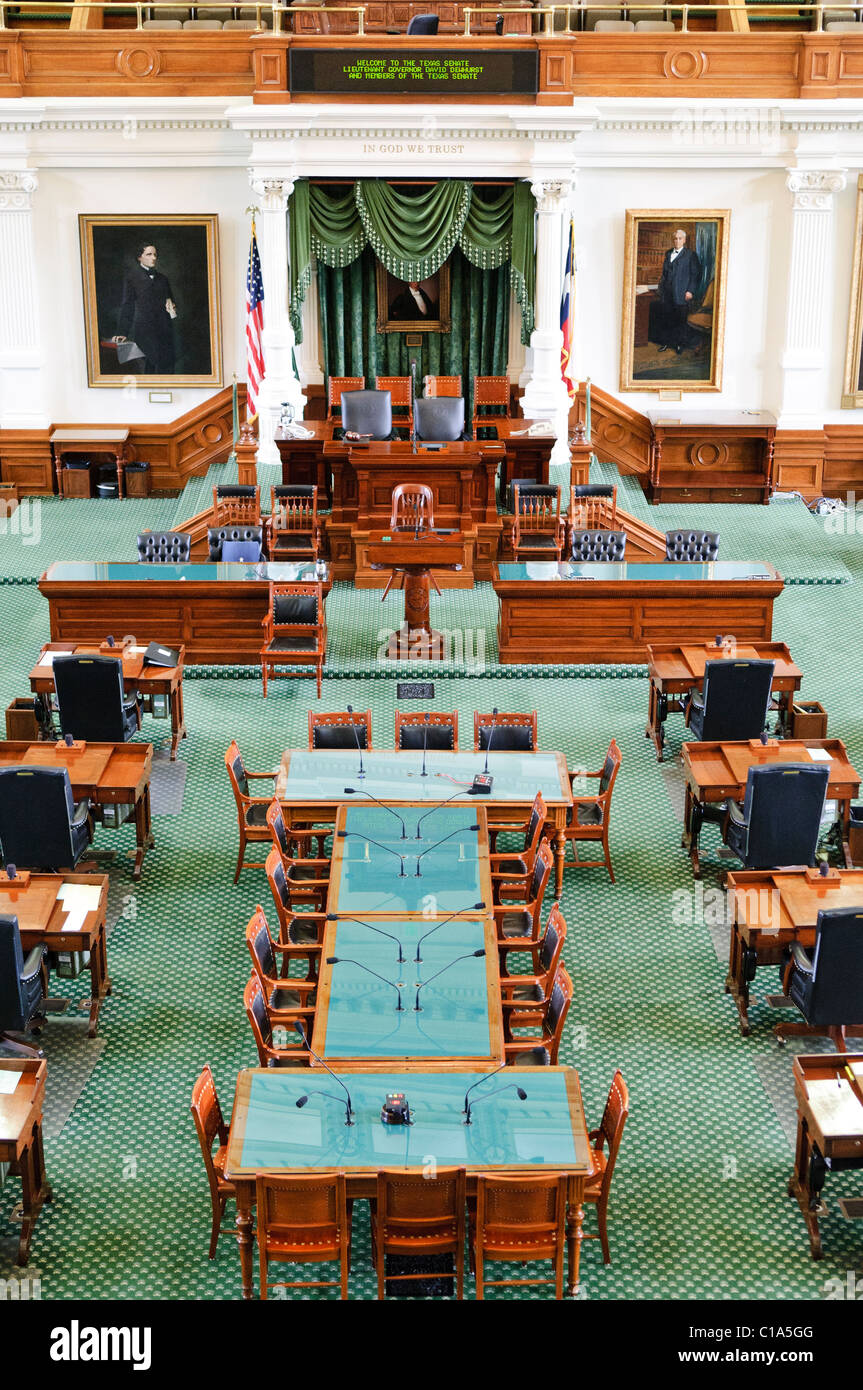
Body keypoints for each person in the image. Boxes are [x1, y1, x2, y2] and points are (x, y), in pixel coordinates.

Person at [112, 243, 177, 373]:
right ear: (139, 258)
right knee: (148, 369)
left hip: (164, 330)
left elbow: (170, 301)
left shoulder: (163, 279)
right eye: (149, 254)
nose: (153, 258)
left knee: (167, 368)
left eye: (155, 255)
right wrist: (122, 332)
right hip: (145, 332)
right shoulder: (132, 278)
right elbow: (128, 306)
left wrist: (172, 307)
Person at [648, 229, 702, 356]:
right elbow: (665, 274)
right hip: (667, 293)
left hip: (681, 293)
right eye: (675, 239)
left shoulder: (690, 255)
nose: (677, 241)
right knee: (667, 319)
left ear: (684, 240)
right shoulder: (668, 254)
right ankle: (667, 343)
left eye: (680, 238)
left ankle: (679, 344)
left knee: (680, 321)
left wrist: (690, 291)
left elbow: (695, 275)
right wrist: (661, 288)